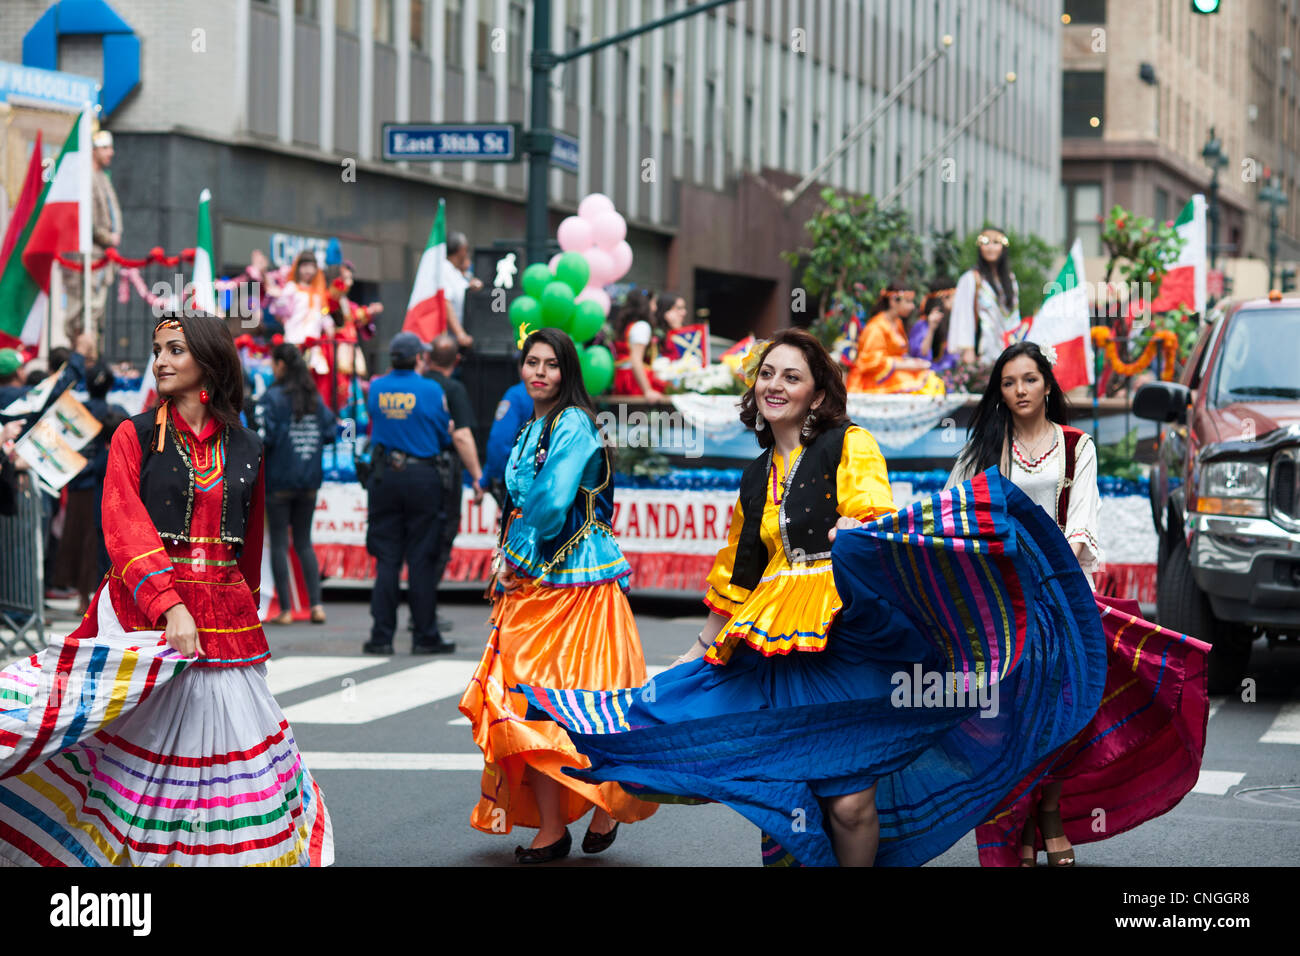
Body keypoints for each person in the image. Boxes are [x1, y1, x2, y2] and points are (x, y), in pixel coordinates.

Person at [517, 329, 1109, 867]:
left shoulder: (847, 444)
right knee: (768, 774)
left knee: (851, 804)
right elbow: (738, 574)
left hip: (847, 638)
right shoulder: (755, 476)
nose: (775, 384)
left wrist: (853, 531)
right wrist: (697, 652)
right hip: (773, 647)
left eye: (791, 376)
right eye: (768, 373)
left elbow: (873, 514)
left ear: (817, 394)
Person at [0, 312, 333, 865]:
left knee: (221, 750)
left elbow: (247, 548)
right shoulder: (133, 435)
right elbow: (123, 526)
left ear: (208, 359)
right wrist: (169, 604)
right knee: (130, 747)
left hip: (224, 622)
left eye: (175, 349)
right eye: (159, 350)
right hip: (143, 615)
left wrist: (242, 607)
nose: (161, 360)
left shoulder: (248, 445)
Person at [946, 341, 1210, 866]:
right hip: (1005, 603)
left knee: (1062, 715)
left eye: (1029, 379)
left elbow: (1083, 525)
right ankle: (1026, 822)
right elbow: (954, 510)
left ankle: (1047, 814)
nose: (1019, 390)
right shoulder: (984, 446)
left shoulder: (1077, 446)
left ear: (1047, 384)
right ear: (999, 391)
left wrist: (1049, 576)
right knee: (1014, 719)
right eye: (1008, 382)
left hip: (1064, 597)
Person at [459, 327, 658, 863]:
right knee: (535, 705)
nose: (539, 372)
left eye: (550, 364)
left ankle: (604, 805)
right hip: (536, 578)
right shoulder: (535, 425)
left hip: (578, 587)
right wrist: (509, 558)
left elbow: (549, 504)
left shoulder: (573, 424)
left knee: (581, 707)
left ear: (567, 372)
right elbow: (524, 506)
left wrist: (513, 560)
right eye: (531, 362)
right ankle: (554, 828)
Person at [364, 332, 455, 655]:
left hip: (385, 477)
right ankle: (424, 636)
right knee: (421, 560)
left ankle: (381, 636)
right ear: (418, 358)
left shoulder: (376, 387)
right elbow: (444, 431)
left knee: (387, 559)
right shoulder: (431, 389)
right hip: (422, 477)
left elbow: (374, 421)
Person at [256, 343, 336, 626]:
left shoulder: (272, 398)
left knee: (279, 543)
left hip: (279, 481)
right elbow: (332, 432)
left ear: (280, 366)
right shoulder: (314, 396)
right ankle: (316, 606)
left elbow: (266, 437)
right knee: (304, 543)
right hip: (309, 481)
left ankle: (287, 610)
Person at [51, 363, 126, 615]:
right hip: (102, 487)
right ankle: (97, 600)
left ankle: (83, 599)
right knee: (95, 546)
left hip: (78, 483)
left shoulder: (78, 412)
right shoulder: (118, 413)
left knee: (76, 541)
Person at [423, 334, 484, 607]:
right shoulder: (454, 389)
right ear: (456, 360)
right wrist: (478, 477)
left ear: (427, 358)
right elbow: (462, 436)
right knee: (441, 538)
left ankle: (421, 610)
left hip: (416, 474)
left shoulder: (419, 385)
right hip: (444, 476)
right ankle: (425, 610)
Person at [62, 129, 122, 339]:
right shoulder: (85, 177)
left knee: (95, 313)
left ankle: (90, 354)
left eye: (111, 147)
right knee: (81, 313)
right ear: (93, 150)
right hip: (86, 257)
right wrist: (108, 237)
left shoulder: (102, 177)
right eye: (105, 147)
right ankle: (80, 353)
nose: (111, 152)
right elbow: (86, 219)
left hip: (102, 258)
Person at [845, 284, 945, 394]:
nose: (912, 306)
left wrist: (911, 362)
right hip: (874, 378)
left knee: (932, 381)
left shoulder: (897, 323)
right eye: (908, 301)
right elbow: (870, 361)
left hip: (894, 373)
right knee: (925, 387)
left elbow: (899, 353)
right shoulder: (876, 327)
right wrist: (907, 365)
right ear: (893, 301)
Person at [948, 228, 1022, 367]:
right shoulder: (971, 278)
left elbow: (1014, 314)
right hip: (982, 350)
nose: (990, 247)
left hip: (1006, 347)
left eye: (996, 242)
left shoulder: (1009, 279)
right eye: (986, 242)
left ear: (1003, 247)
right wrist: (967, 348)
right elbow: (964, 315)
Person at [481, 371, 533, 507]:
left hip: (520, 484)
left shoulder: (517, 395)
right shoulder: (567, 398)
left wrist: (487, 478)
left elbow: (499, 443)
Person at [612, 290, 669, 400]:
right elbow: (635, 360)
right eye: (653, 303)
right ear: (646, 305)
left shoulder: (628, 327)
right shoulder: (642, 326)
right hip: (632, 382)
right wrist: (648, 390)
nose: (655, 308)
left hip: (622, 379)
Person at [910, 280, 959, 376]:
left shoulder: (950, 321)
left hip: (949, 375)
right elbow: (922, 356)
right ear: (945, 298)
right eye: (955, 296)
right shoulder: (922, 325)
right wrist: (931, 329)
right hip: (929, 376)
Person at [442, 231, 479, 348]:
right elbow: (445, 302)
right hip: (449, 343)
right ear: (461, 249)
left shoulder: (455, 271)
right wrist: (460, 334)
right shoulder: (444, 269)